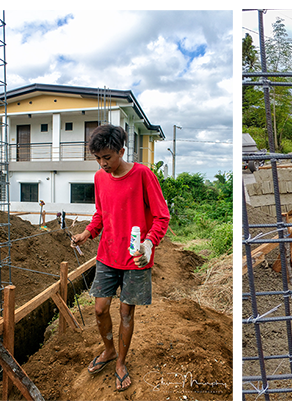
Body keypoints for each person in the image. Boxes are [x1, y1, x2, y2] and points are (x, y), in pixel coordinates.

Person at [70, 124, 170, 392]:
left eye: (108, 157)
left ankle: (121, 363)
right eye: (98, 158)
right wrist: (88, 232)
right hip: (107, 254)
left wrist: (149, 243)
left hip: (136, 258)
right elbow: (101, 213)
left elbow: (162, 216)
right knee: (100, 308)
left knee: (126, 311)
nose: (103, 164)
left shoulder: (142, 175)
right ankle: (109, 350)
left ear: (121, 151)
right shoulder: (100, 178)